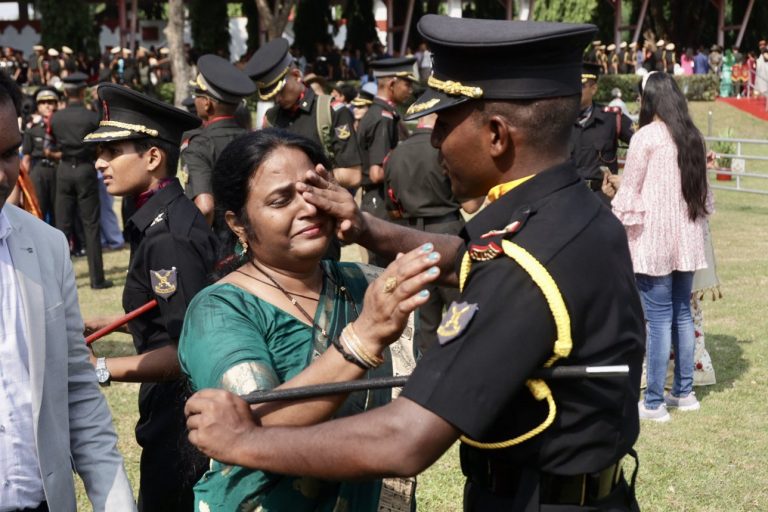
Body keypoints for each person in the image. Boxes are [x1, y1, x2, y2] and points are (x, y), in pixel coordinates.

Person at [185, 15, 645, 511]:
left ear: (496, 135)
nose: (432, 140)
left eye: (445, 123)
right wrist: (366, 226)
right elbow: (466, 258)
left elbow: (404, 439)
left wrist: (242, 442)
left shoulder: (520, 264)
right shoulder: (575, 213)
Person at [178, 128, 436, 510]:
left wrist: (367, 228)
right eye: (281, 200)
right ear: (237, 223)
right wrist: (361, 341)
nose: (308, 208)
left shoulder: (365, 283)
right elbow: (252, 427)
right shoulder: (220, 310)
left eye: (315, 190)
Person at [0, 64, 136, 512]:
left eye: (9, 154)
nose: (4, 175)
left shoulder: (46, 246)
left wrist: (115, 502)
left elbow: (76, 386)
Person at [81, 84, 217, 511]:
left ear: (153, 157)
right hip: (176, 411)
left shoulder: (168, 237)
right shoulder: (163, 217)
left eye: (112, 150)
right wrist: (101, 323)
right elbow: (170, 310)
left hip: (182, 417)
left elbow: (191, 351)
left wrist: (100, 369)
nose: (99, 163)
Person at [603, 72, 711, 423]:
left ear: (649, 99)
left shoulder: (645, 138)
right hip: (688, 239)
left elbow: (630, 189)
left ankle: (653, 402)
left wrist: (614, 207)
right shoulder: (693, 137)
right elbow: (703, 196)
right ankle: (684, 392)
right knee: (681, 314)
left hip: (654, 241)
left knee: (659, 319)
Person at [384, 112, 482, 353]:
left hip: (410, 235)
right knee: (465, 306)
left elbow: (391, 202)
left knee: (424, 317)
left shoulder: (395, 154)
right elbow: (471, 205)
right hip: (448, 231)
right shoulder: (447, 151)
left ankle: (429, 368)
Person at [245, 38, 363, 189]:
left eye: (280, 91)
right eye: (272, 96)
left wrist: (306, 177)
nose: (278, 99)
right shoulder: (271, 118)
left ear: (296, 75)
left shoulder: (331, 111)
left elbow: (353, 175)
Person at [49, 71, 111, 289]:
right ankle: (97, 278)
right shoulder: (91, 117)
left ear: (66, 92)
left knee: (62, 226)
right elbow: (100, 143)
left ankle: (58, 280)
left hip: (64, 168)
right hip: (85, 168)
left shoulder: (56, 117)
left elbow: (52, 142)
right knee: (91, 225)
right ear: (83, 92)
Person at [181, 54, 255, 230]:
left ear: (207, 103)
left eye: (197, 94)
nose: (195, 100)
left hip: (221, 240)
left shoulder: (199, 144)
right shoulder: (253, 139)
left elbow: (205, 208)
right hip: (257, 235)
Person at [357, 56, 416, 265]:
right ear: (392, 84)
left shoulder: (383, 114)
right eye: (407, 83)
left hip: (380, 201)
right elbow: (377, 172)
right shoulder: (383, 118)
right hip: (380, 202)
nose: (410, 89)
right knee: (383, 269)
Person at [570, 62, 633, 198]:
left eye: (581, 86)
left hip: (602, 197)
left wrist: (628, 181)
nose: (575, 90)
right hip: (569, 198)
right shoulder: (562, 121)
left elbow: (643, 142)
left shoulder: (611, 118)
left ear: (594, 89)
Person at [21, 86, 59, 225]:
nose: (47, 105)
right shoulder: (32, 128)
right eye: (43, 103)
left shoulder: (61, 125)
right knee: (37, 210)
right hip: (38, 171)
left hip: (57, 170)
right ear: (38, 106)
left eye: (50, 102)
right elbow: (26, 157)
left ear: (56, 104)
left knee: (58, 210)